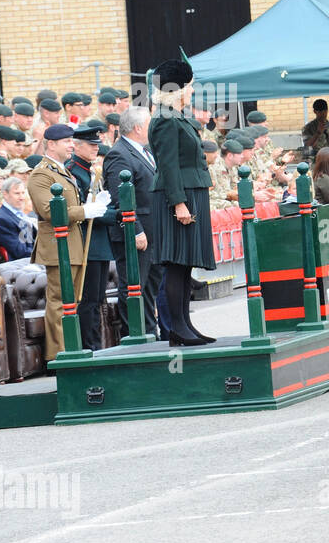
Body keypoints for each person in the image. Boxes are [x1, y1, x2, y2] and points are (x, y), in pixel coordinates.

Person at [147, 57, 217, 346]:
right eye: (189, 86)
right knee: (177, 264)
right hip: (179, 197)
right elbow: (168, 165)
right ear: (177, 90)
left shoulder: (176, 116)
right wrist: (179, 203)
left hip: (190, 193)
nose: (192, 90)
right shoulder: (164, 120)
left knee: (186, 265)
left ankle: (185, 324)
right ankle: (176, 328)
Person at [28, 124, 109, 359]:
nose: (72, 145)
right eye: (66, 142)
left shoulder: (62, 171)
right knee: (59, 302)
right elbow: (51, 212)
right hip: (57, 246)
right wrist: (86, 210)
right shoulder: (42, 173)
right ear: (51, 144)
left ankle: (71, 349)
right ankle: (58, 355)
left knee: (71, 301)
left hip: (72, 244)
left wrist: (92, 205)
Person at [103, 105, 161, 338]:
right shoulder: (119, 154)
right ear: (138, 128)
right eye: (149, 124)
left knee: (149, 288)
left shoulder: (144, 151)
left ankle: (150, 333)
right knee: (134, 287)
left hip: (153, 231)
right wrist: (135, 229)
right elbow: (120, 198)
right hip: (135, 234)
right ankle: (135, 335)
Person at [66, 121, 118, 351]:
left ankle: (97, 345)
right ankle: (91, 347)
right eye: (90, 144)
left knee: (97, 299)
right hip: (87, 242)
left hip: (99, 242)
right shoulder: (73, 173)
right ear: (76, 146)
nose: (95, 148)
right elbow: (85, 211)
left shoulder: (89, 170)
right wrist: (116, 215)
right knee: (88, 301)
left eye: (97, 144)